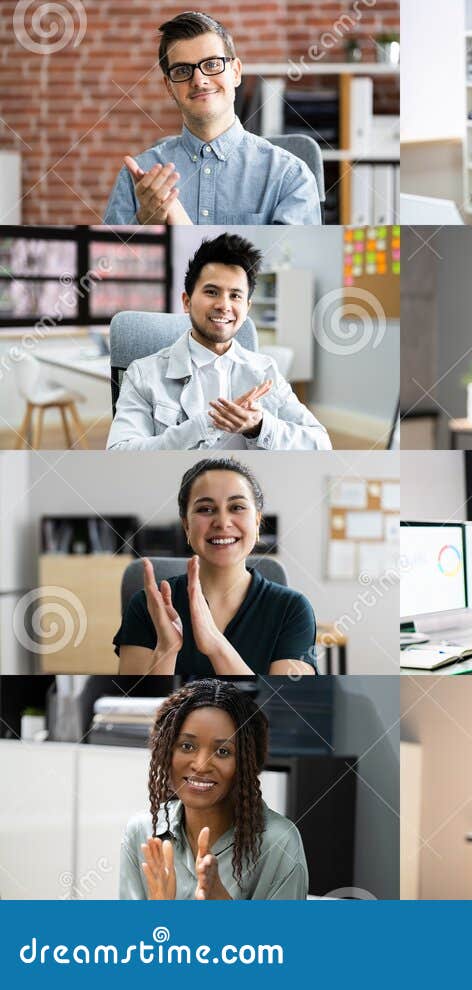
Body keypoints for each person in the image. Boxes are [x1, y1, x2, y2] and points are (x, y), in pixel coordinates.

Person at [108, 233, 332, 451]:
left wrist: (260, 427)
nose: (224, 305)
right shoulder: (143, 374)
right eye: (212, 292)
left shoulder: (265, 371)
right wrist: (202, 426)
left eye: (235, 296)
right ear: (186, 301)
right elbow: (119, 452)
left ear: (247, 308)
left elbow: (320, 443)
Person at [103, 11, 320, 225]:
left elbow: (291, 260)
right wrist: (147, 223)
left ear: (235, 72)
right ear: (169, 87)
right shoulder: (137, 180)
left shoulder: (290, 176)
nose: (199, 80)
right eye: (181, 70)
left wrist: (180, 225)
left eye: (212, 64)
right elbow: (107, 258)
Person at [115, 458, 319, 676]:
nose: (222, 522)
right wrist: (166, 651)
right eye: (206, 509)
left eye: (237, 507)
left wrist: (216, 645)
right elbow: (138, 705)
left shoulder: (293, 609)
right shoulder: (147, 605)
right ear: (186, 526)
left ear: (257, 523)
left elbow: (280, 705)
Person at [120, 679, 309, 899]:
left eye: (223, 752)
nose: (200, 765)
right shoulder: (142, 833)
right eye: (187, 746)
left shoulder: (280, 842)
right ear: (166, 751)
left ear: (247, 763)